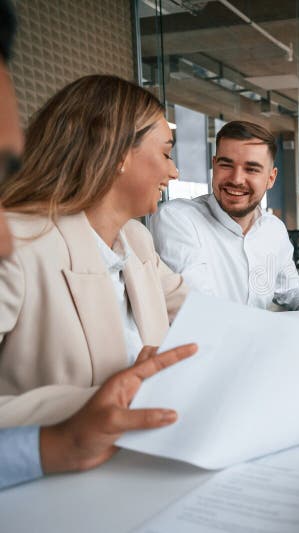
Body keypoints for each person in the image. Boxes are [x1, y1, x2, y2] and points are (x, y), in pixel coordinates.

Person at [0, 2, 198, 491]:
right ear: (115, 155)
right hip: (47, 487)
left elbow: (202, 316)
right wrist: (83, 411)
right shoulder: (18, 244)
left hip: (137, 473)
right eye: (167, 154)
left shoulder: (136, 240)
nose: (174, 173)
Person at [152, 121, 299, 333]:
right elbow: (204, 315)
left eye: (251, 169)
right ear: (214, 165)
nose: (236, 179)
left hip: (260, 352)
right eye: (226, 165)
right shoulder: (178, 219)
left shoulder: (272, 229)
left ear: (271, 178)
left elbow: (293, 290)